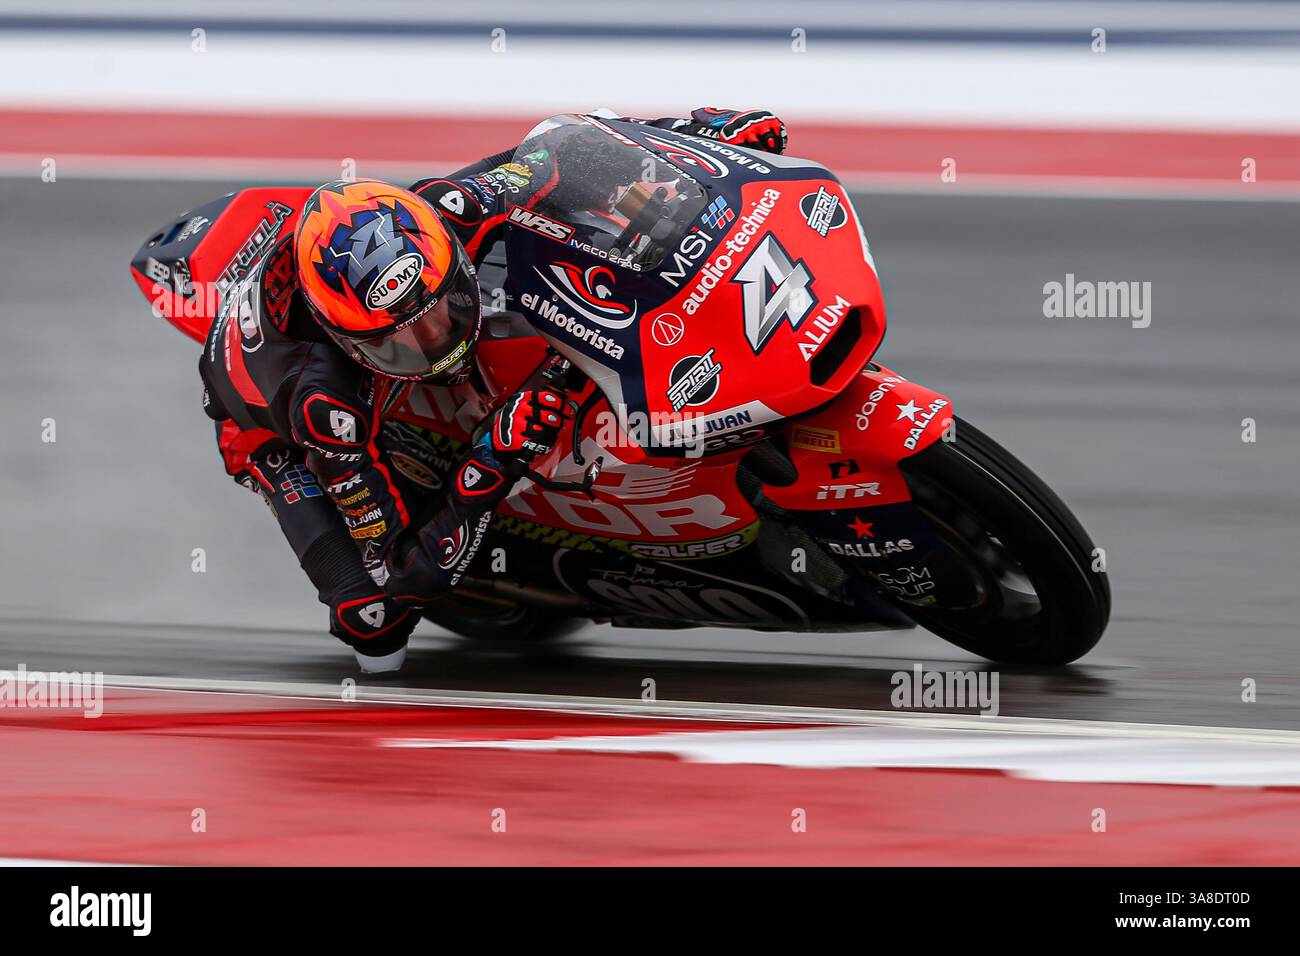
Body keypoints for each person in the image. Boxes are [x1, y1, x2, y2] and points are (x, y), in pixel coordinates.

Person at [197, 107, 787, 673]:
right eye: (397, 344)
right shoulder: (324, 405)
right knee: (373, 619)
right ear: (350, 344)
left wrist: (701, 132)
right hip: (258, 427)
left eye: (443, 308)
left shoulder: (448, 207)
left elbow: (572, 152)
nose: (435, 340)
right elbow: (396, 567)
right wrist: (494, 456)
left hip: (343, 257)